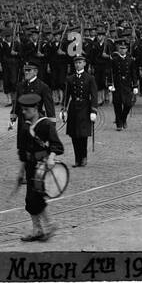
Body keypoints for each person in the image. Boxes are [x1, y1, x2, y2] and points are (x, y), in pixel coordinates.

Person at [16, 93, 64, 242]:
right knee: (30, 200)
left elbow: (57, 145)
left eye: (26, 110)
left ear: (35, 109)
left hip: (42, 168)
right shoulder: (25, 126)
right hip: (30, 167)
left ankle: (49, 225)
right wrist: (21, 171)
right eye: (22, 110)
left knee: (35, 198)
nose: (23, 113)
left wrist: (51, 157)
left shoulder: (46, 124)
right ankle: (38, 229)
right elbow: (23, 151)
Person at [62, 54, 98, 168]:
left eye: (80, 62)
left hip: (85, 107)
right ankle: (77, 159)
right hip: (73, 108)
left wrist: (93, 111)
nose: (78, 65)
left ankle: (83, 157)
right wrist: (64, 109)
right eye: (76, 63)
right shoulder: (70, 78)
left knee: (82, 134)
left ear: (84, 64)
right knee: (74, 135)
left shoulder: (89, 78)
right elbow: (66, 95)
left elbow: (94, 95)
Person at [109, 39, 138, 131]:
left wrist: (135, 85)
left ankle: (123, 118)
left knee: (128, 104)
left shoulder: (131, 60)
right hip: (117, 84)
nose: (122, 50)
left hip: (127, 84)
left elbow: (134, 73)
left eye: (124, 48)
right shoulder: (114, 60)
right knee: (117, 104)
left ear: (127, 49)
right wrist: (110, 84)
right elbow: (110, 73)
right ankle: (119, 123)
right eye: (121, 48)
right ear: (118, 49)